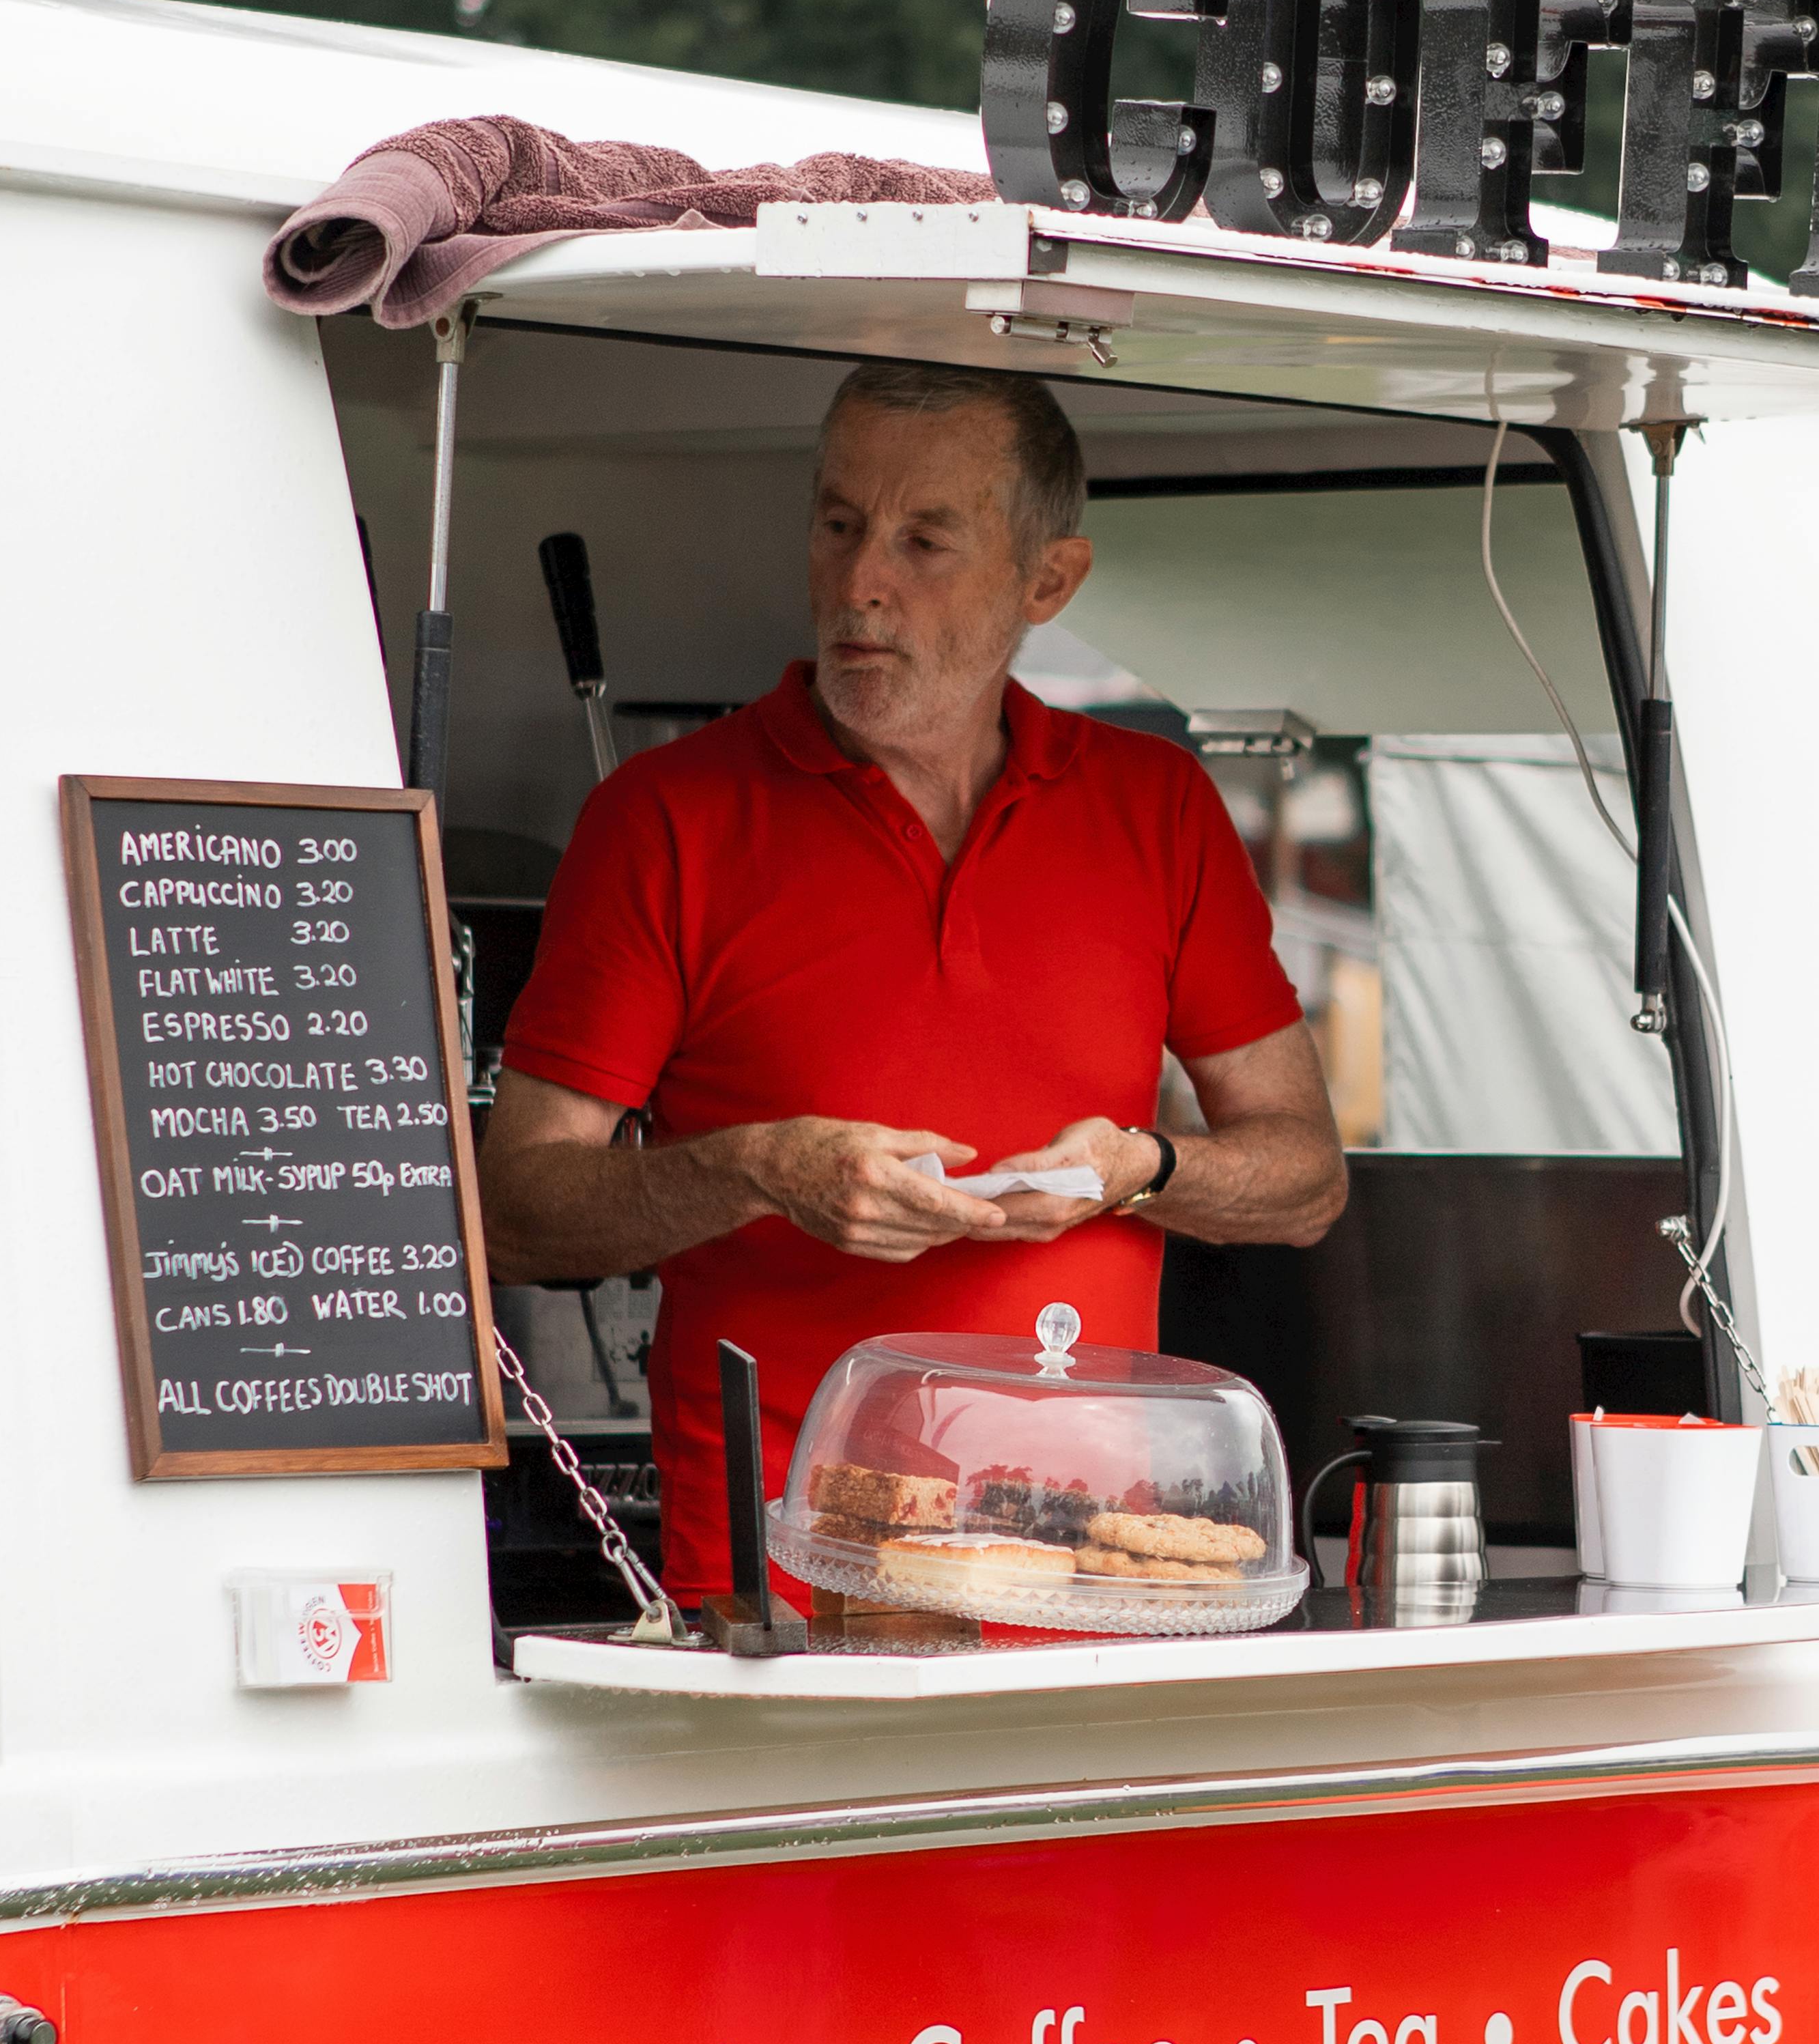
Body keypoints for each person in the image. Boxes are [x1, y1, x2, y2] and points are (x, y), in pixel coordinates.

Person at [478, 358, 1348, 1599]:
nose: (858, 584)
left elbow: (1305, 1179)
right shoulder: (665, 819)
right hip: (786, 1573)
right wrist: (758, 1169)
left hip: (1094, 1564)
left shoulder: (1156, 808)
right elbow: (515, 1208)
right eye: (839, 526)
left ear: (1048, 581)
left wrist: (1143, 1169)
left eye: (923, 542)